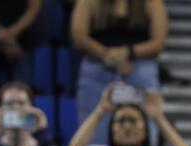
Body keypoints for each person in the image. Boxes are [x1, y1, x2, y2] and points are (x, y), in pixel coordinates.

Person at [70, 0, 168, 128]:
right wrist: (109, 56)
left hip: (138, 67)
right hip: (98, 66)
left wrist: (128, 52)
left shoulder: (151, 3)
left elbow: (158, 42)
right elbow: (79, 37)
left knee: (145, 72)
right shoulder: (89, 2)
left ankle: (147, 142)